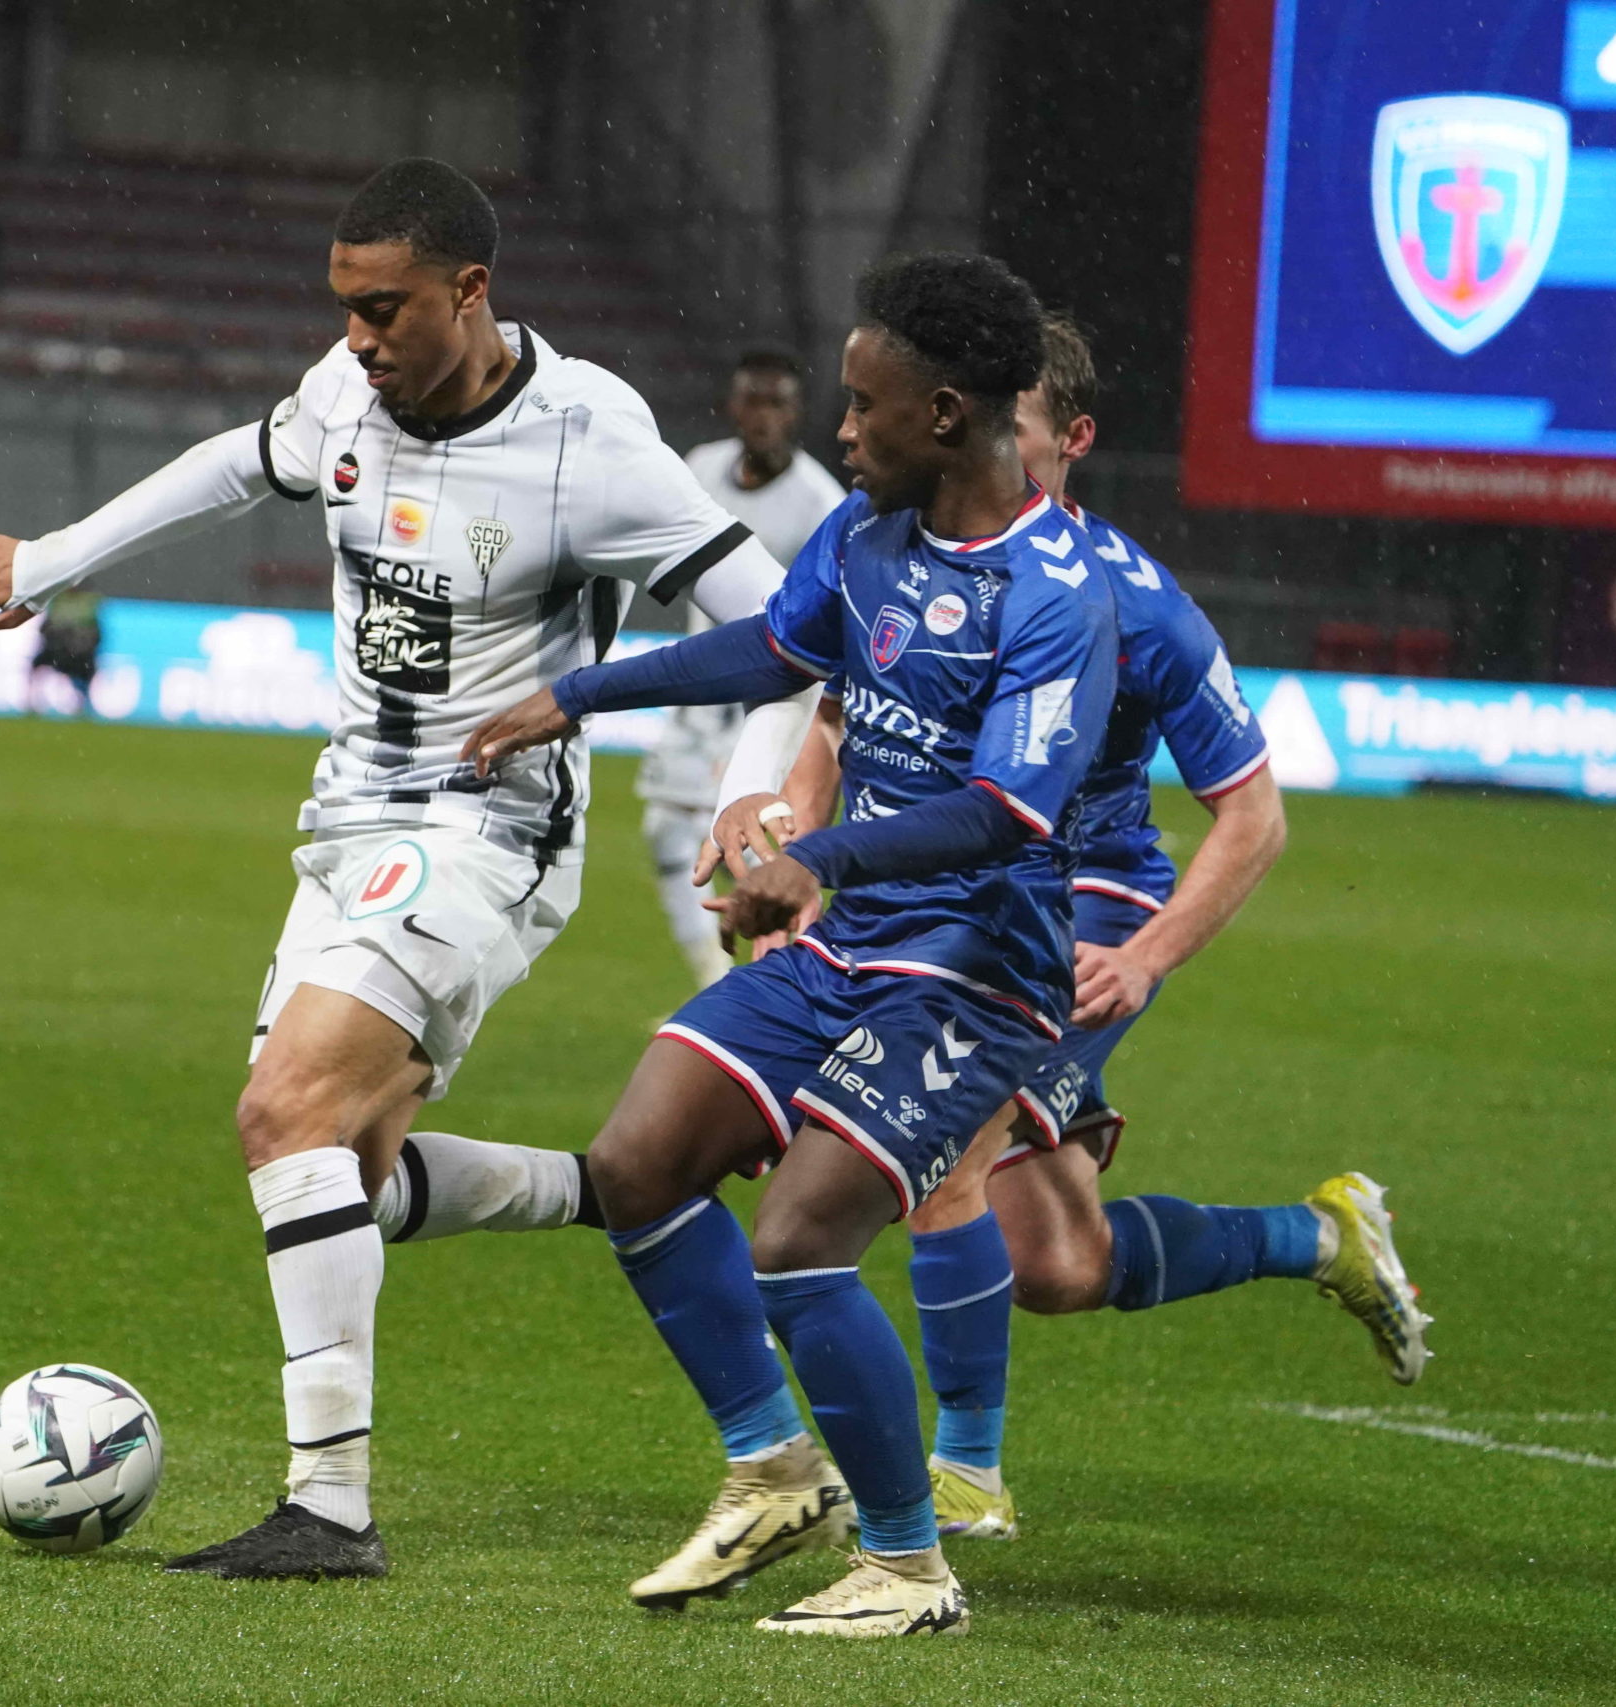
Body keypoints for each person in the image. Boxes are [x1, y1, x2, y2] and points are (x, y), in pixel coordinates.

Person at [0, 158, 814, 1581]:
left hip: (491, 834)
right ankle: (624, 1186)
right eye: (342, 310)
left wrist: (754, 798)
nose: (357, 340)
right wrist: (54, 554)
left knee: (285, 1111)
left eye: (385, 310)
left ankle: (328, 1504)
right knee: (343, 1171)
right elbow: (236, 459)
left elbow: (789, 634)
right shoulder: (345, 391)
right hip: (345, 821)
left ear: (471, 290)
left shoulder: (592, 442)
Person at [468, 251, 1119, 1637]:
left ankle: (907, 1564)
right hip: (852, 942)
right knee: (639, 1162)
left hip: (978, 969)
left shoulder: (1060, 596)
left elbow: (1008, 809)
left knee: (801, 1232)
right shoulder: (870, 535)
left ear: (946, 414)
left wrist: (806, 857)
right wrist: (573, 695)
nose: (839, 430)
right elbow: (773, 648)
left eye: (863, 405)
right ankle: (773, 1468)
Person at [714, 316, 1430, 1545]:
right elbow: (840, 717)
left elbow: (1251, 816)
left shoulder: (1132, 599)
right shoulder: (917, 549)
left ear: (1069, 439)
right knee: (1055, 1266)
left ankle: (965, 1476)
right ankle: (1314, 1236)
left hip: (1084, 906)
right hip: (948, 895)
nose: (975, 445)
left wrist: (1143, 957)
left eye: (1009, 426)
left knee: (938, 1151)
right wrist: (788, 837)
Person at [637, 351, 844, 987]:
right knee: (668, 831)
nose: (763, 416)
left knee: (754, 851)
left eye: (777, 402)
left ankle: (780, 987)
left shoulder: (820, 502)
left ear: (796, 413)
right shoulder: (700, 468)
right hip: (702, 695)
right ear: (734, 406)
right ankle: (714, 980)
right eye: (753, 400)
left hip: (772, 702)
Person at [30, 589, 103, 714]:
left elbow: (96, 634)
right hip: (56, 650)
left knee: (88, 667)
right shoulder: (58, 600)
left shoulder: (88, 602)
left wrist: (80, 645)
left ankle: (83, 704)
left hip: (80, 654)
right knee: (37, 662)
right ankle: (34, 703)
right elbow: (44, 628)